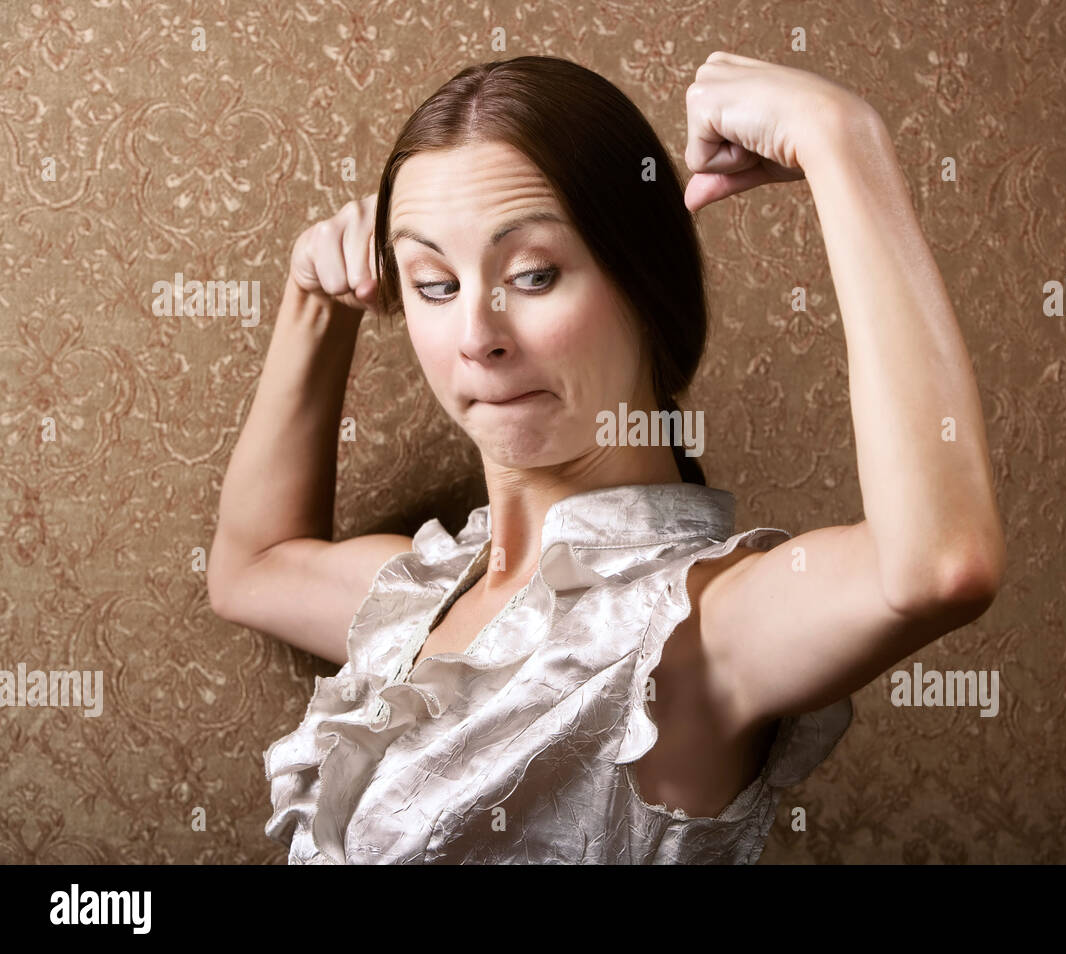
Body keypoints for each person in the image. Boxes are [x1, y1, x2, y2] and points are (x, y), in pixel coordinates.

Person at [208, 52, 1005, 864]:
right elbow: (252, 567)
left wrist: (842, 141)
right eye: (435, 284)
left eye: (535, 273)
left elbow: (939, 568)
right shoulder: (421, 597)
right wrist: (314, 303)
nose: (478, 336)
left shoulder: (693, 629)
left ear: (644, 285)